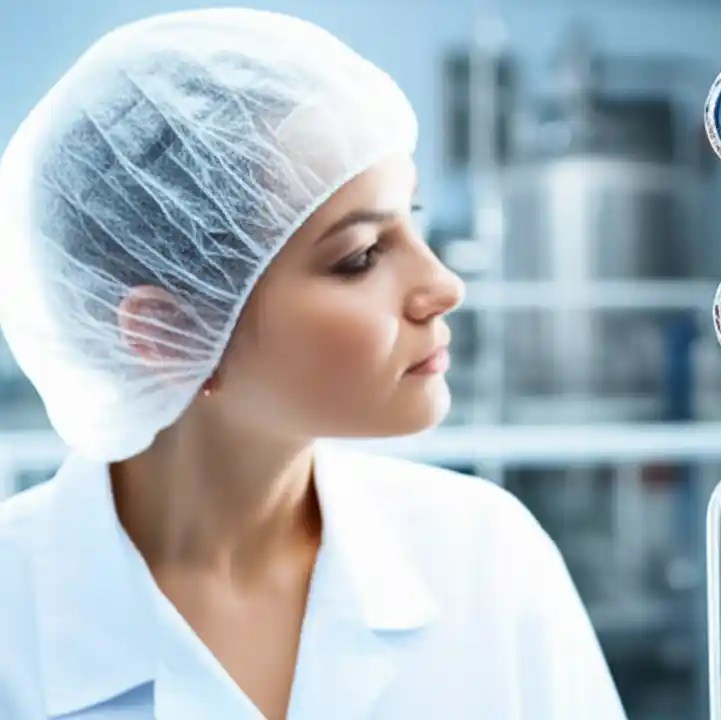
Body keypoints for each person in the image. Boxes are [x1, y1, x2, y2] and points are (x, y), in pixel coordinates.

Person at [0, 8, 627, 720]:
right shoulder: (12, 631)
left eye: (412, 220)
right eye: (360, 257)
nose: (444, 287)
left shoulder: (488, 558)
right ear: (168, 333)